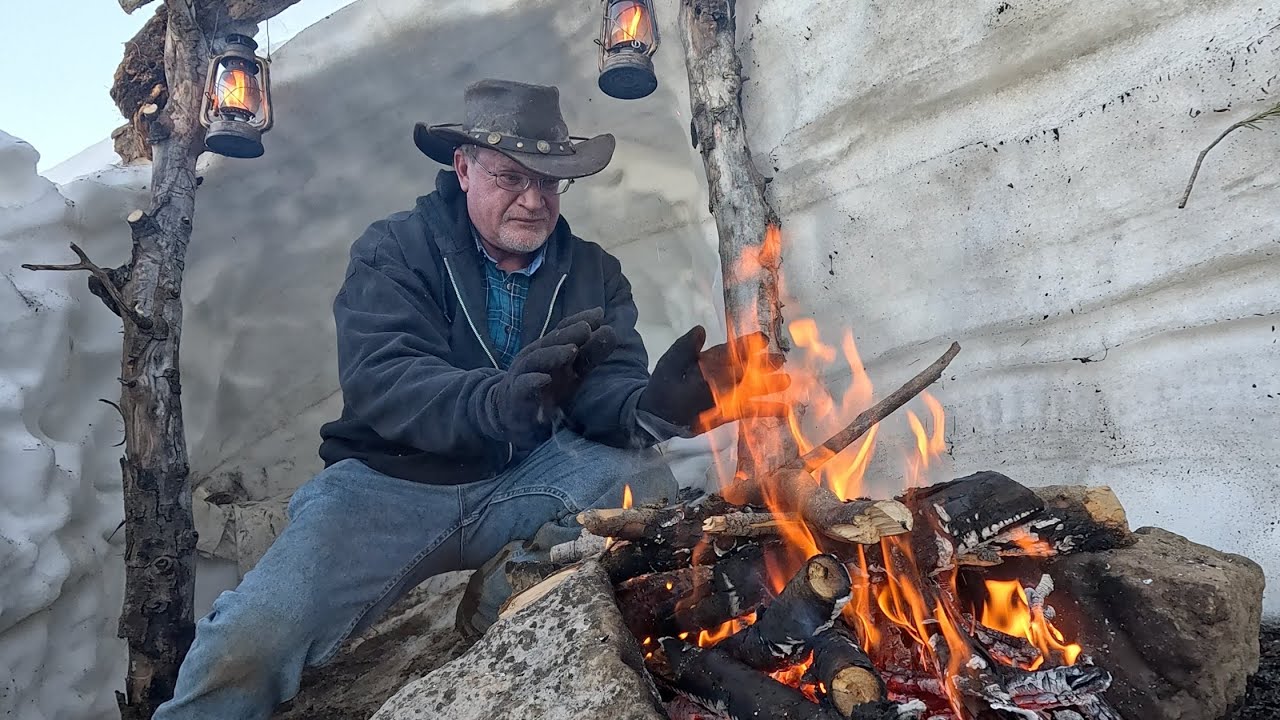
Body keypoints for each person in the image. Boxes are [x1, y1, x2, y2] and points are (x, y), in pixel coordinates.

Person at [153, 78, 789, 719]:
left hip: (523, 477)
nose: (535, 200)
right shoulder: (394, 249)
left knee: (640, 482)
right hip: (388, 486)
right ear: (464, 169)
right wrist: (494, 402)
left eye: (550, 181)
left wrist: (650, 407)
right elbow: (384, 379)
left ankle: (503, 603)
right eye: (512, 177)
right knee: (256, 636)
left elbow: (603, 390)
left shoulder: (594, 271)